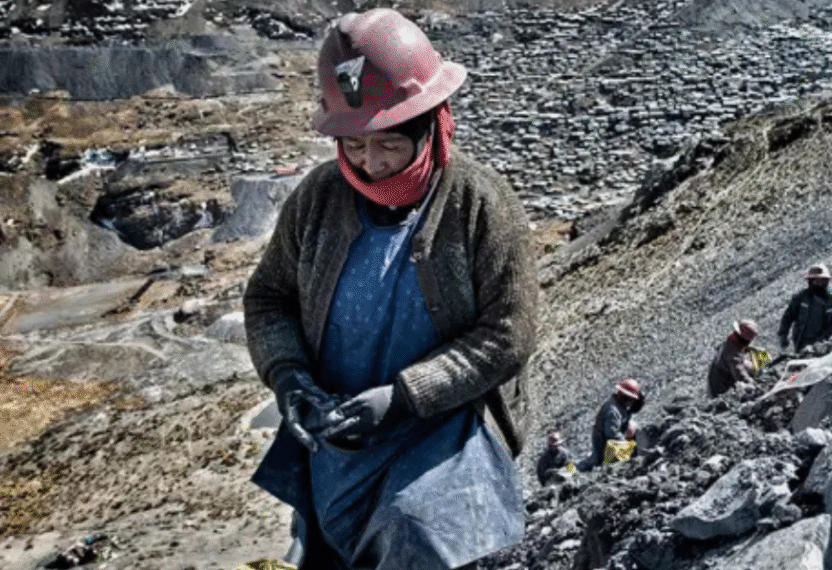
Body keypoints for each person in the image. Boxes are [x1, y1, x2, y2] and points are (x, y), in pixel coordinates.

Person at [242, 9, 538, 570]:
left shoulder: (480, 203)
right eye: (355, 148)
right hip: (342, 433)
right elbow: (269, 298)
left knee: (418, 532)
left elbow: (509, 331)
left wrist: (404, 396)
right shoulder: (319, 199)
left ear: (432, 123)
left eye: (391, 147)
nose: (372, 166)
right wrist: (290, 380)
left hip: (446, 429)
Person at [777, 264, 832, 352]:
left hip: (824, 346)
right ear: (810, 281)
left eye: (821, 281)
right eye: (815, 281)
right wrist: (783, 335)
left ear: (826, 282)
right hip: (801, 344)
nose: (818, 284)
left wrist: (821, 342)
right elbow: (788, 317)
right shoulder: (801, 298)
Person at [581, 378, 645, 470]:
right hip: (603, 441)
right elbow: (611, 433)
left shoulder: (620, 406)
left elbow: (627, 417)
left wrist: (629, 427)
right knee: (597, 462)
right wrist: (625, 441)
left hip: (609, 437)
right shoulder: (613, 410)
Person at [707, 319, 759, 397]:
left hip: (716, 376)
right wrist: (753, 383)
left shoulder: (731, 341)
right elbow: (740, 375)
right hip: (720, 387)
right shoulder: (732, 355)